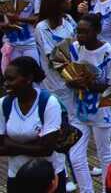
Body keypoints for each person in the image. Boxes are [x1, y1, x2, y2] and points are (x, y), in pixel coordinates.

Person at [63, 13, 111, 191]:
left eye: (85, 32)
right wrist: (73, 82)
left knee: (105, 154)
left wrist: (89, 84)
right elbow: (67, 76)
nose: (80, 36)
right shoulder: (74, 48)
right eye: (78, 32)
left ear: (97, 31)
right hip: (80, 110)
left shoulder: (108, 52)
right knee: (76, 155)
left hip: (102, 110)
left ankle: (105, 189)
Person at [0, 57, 66, 191]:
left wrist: (11, 145)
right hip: (16, 176)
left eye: (11, 79)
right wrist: (36, 145)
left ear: (28, 79)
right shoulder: (3, 104)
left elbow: (47, 149)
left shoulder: (49, 102)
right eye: (5, 79)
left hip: (48, 178)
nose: (6, 84)